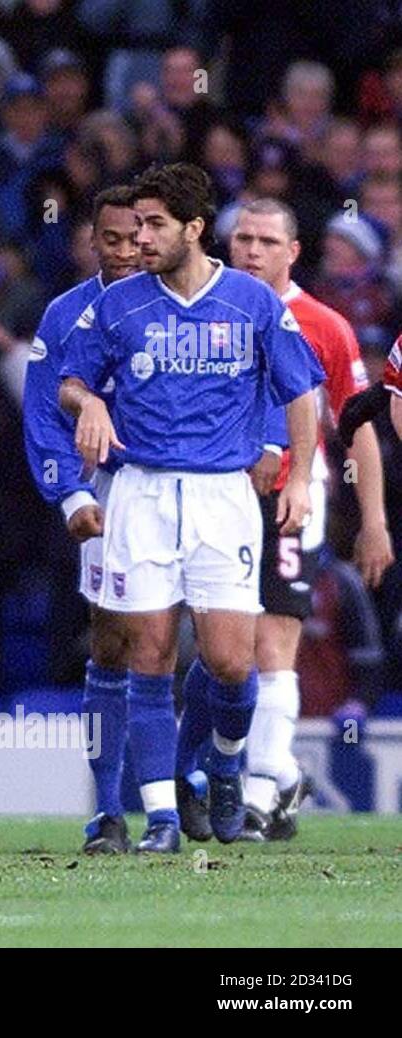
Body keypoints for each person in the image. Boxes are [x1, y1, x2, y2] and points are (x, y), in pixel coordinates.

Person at [59, 163, 325, 851]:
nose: (139, 240)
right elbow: (70, 380)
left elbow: (301, 392)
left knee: (232, 661)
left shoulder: (252, 301)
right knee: (149, 653)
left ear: (194, 229)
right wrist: (88, 402)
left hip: (221, 495)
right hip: (142, 489)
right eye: (135, 225)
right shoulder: (118, 304)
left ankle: (228, 759)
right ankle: (163, 820)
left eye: (155, 226)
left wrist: (297, 480)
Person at [219, 198, 392, 841]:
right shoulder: (210, 311)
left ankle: (262, 787)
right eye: (242, 239)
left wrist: (372, 520)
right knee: (222, 650)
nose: (252, 251)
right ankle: (274, 772)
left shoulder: (325, 324)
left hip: (294, 495)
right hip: (214, 496)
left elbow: (359, 429)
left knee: (273, 642)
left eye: (267, 240)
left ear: (293, 251)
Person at [22, 184, 140, 854]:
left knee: (219, 651)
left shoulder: (188, 306)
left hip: (198, 490)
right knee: (114, 642)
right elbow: (43, 413)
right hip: (111, 492)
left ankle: (214, 779)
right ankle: (113, 809)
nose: (124, 251)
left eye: (136, 236)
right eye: (111, 238)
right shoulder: (66, 314)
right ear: (91, 239)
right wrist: (71, 494)